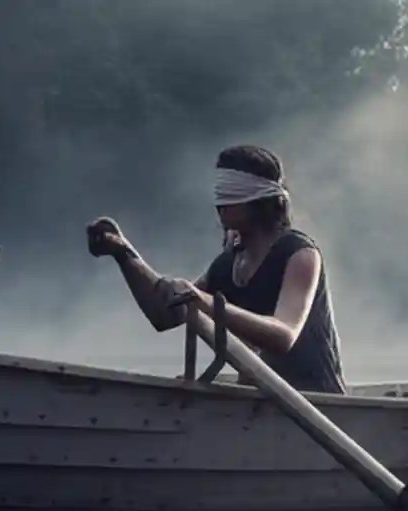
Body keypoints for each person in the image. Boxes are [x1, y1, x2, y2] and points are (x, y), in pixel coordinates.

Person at [87, 144, 346, 394]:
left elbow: (284, 335)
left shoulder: (300, 254)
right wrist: (123, 253)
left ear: (258, 199)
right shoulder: (227, 264)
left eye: (230, 193)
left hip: (316, 402)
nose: (219, 204)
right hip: (263, 398)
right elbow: (164, 315)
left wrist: (204, 302)